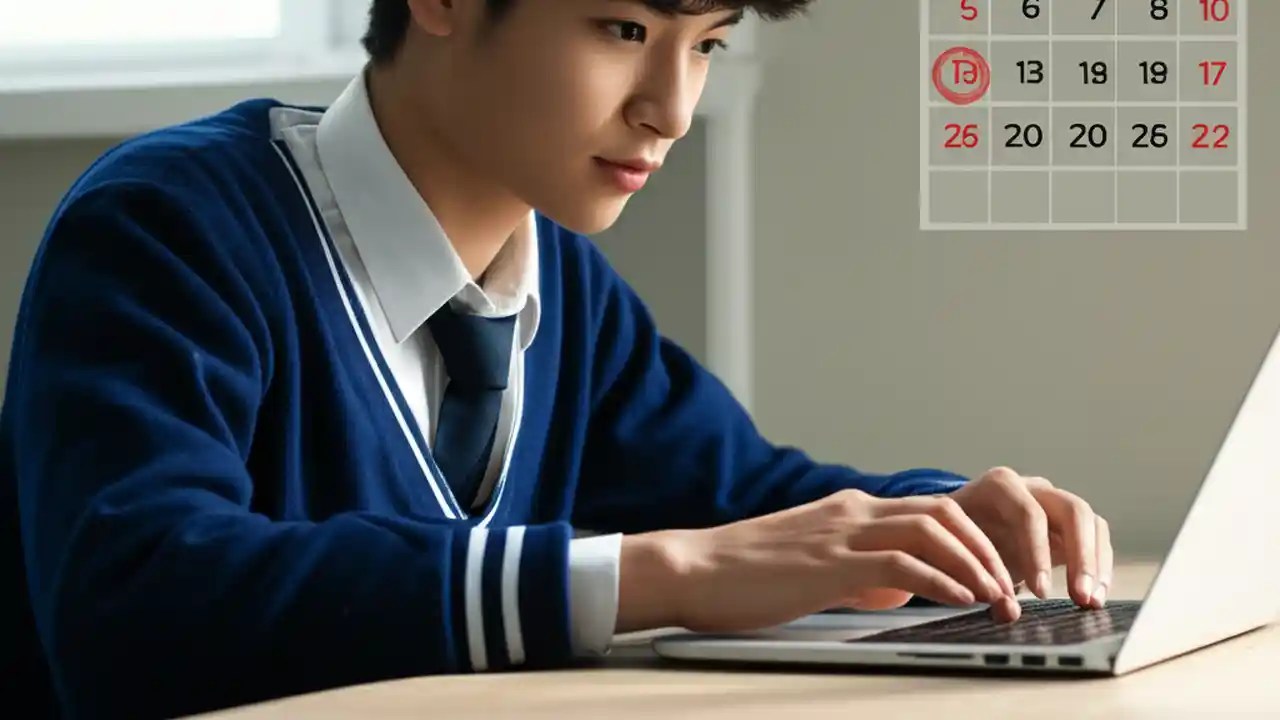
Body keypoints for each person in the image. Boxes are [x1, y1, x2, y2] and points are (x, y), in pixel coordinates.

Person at [0, 1, 1113, 718]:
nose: (670, 109)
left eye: (708, 44)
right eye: (623, 29)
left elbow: (754, 506)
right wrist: (653, 574)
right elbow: (132, 609)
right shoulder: (168, 227)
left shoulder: (561, 286)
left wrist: (955, 520)